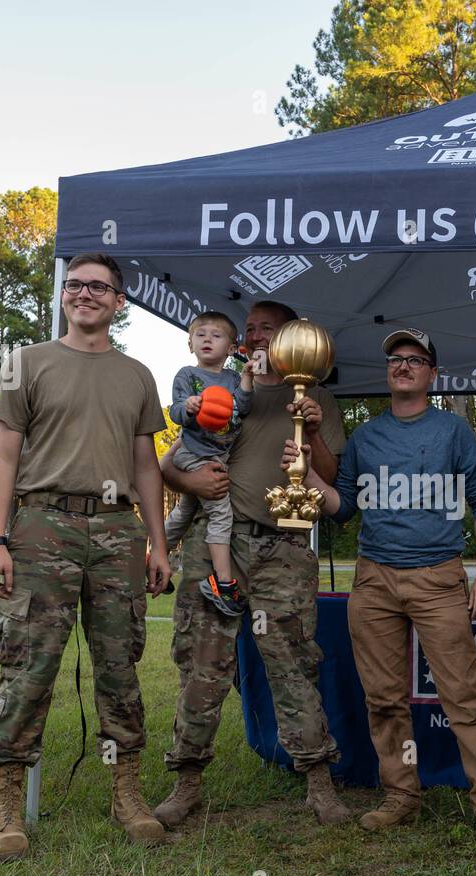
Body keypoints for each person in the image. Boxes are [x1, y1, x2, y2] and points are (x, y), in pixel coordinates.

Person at [283, 327, 476, 845]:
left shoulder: (454, 431)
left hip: (438, 578)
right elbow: (343, 508)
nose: (403, 366)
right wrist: (310, 468)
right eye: (395, 360)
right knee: (384, 699)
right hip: (375, 580)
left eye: (415, 359)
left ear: (433, 373)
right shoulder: (366, 437)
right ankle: (401, 796)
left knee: (464, 697)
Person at [0, 251, 171, 860]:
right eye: (75, 284)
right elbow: (2, 455)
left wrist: (159, 541)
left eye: (99, 287)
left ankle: (127, 792)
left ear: (119, 303)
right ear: (65, 296)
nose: (84, 293)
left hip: (117, 533)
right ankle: (5, 801)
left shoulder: (138, 374)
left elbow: (146, 465)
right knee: (29, 664)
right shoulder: (26, 363)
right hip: (41, 527)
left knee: (120, 665)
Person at [153, 300, 352, 827]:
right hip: (216, 545)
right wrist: (189, 482)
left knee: (292, 663)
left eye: (270, 328)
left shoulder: (316, 399)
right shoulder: (219, 390)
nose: (257, 336)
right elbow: (171, 464)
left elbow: (333, 479)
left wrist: (308, 434)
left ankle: (318, 780)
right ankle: (186, 782)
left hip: (284, 547)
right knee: (202, 662)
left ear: (293, 338)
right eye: (251, 329)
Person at [163, 310, 255, 616]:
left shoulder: (231, 378)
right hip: (193, 452)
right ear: (190, 344)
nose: (207, 340)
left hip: (218, 454)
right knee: (221, 513)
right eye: (200, 335)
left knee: (185, 511)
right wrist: (187, 407)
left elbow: (242, 406)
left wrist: (247, 380)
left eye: (216, 336)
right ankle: (223, 583)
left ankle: (154, 561)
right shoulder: (187, 375)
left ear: (230, 348)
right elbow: (175, 412)